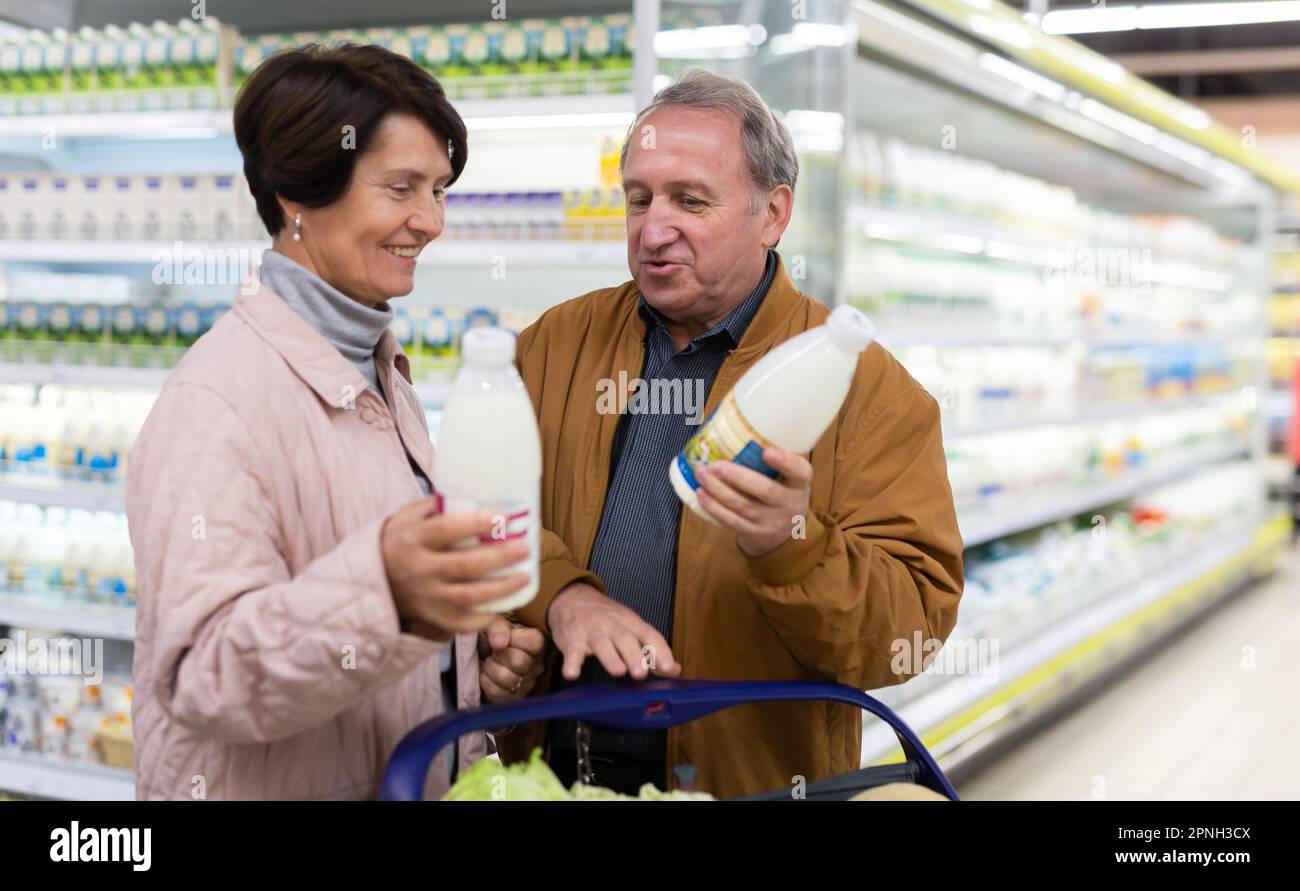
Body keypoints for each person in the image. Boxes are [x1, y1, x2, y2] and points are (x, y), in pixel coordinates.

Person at [502, 70, 965, 799]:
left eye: (691, 200)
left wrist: (790, 543)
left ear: (772, 213)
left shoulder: (875, 393)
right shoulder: (555, 344)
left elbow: (909, 630)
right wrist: (562, 598)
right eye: (638, 198)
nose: (654, 228)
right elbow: (482, 516)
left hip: (752, 786)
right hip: (553, 775)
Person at [126, 44, 543, 800]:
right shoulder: (215, 402)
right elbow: (207, 672)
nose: (431, 220)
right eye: (401, 188)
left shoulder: (380, 369)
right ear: (298, 192)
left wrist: (465, 660)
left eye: (440, 190)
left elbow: (361, 629)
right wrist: (389, 590)